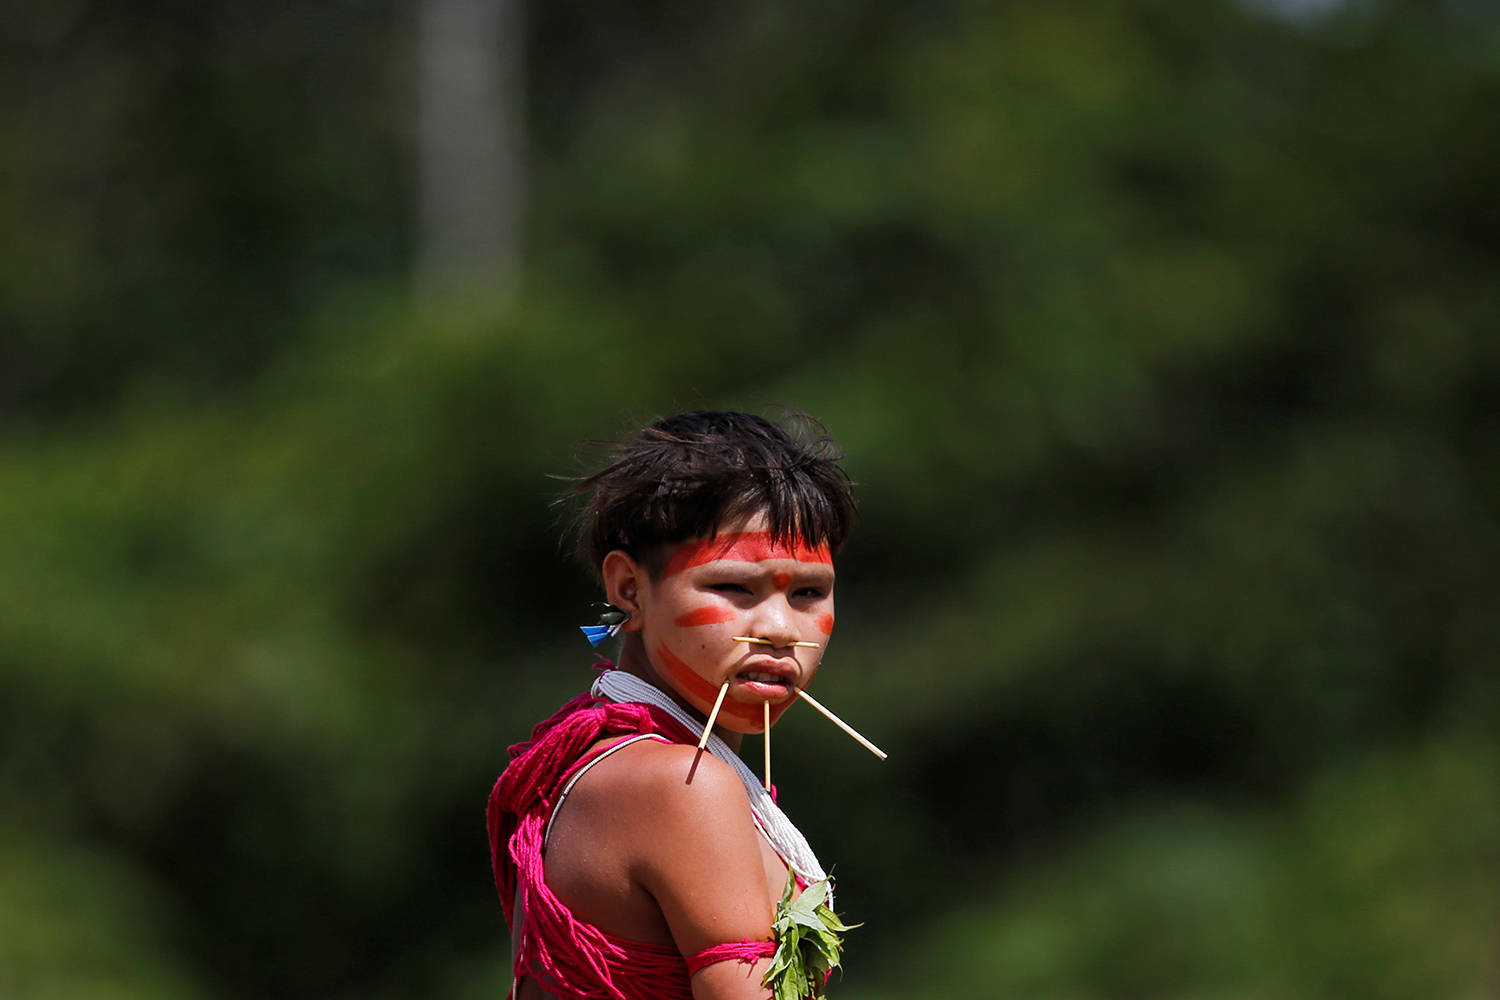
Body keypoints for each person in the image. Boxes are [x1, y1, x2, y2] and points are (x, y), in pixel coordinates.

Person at [488, 410, 859, 1000]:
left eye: (808, 592)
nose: (780, 628)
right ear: (629, 590)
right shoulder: (681, 784)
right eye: (735, 587)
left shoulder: (611, 759)